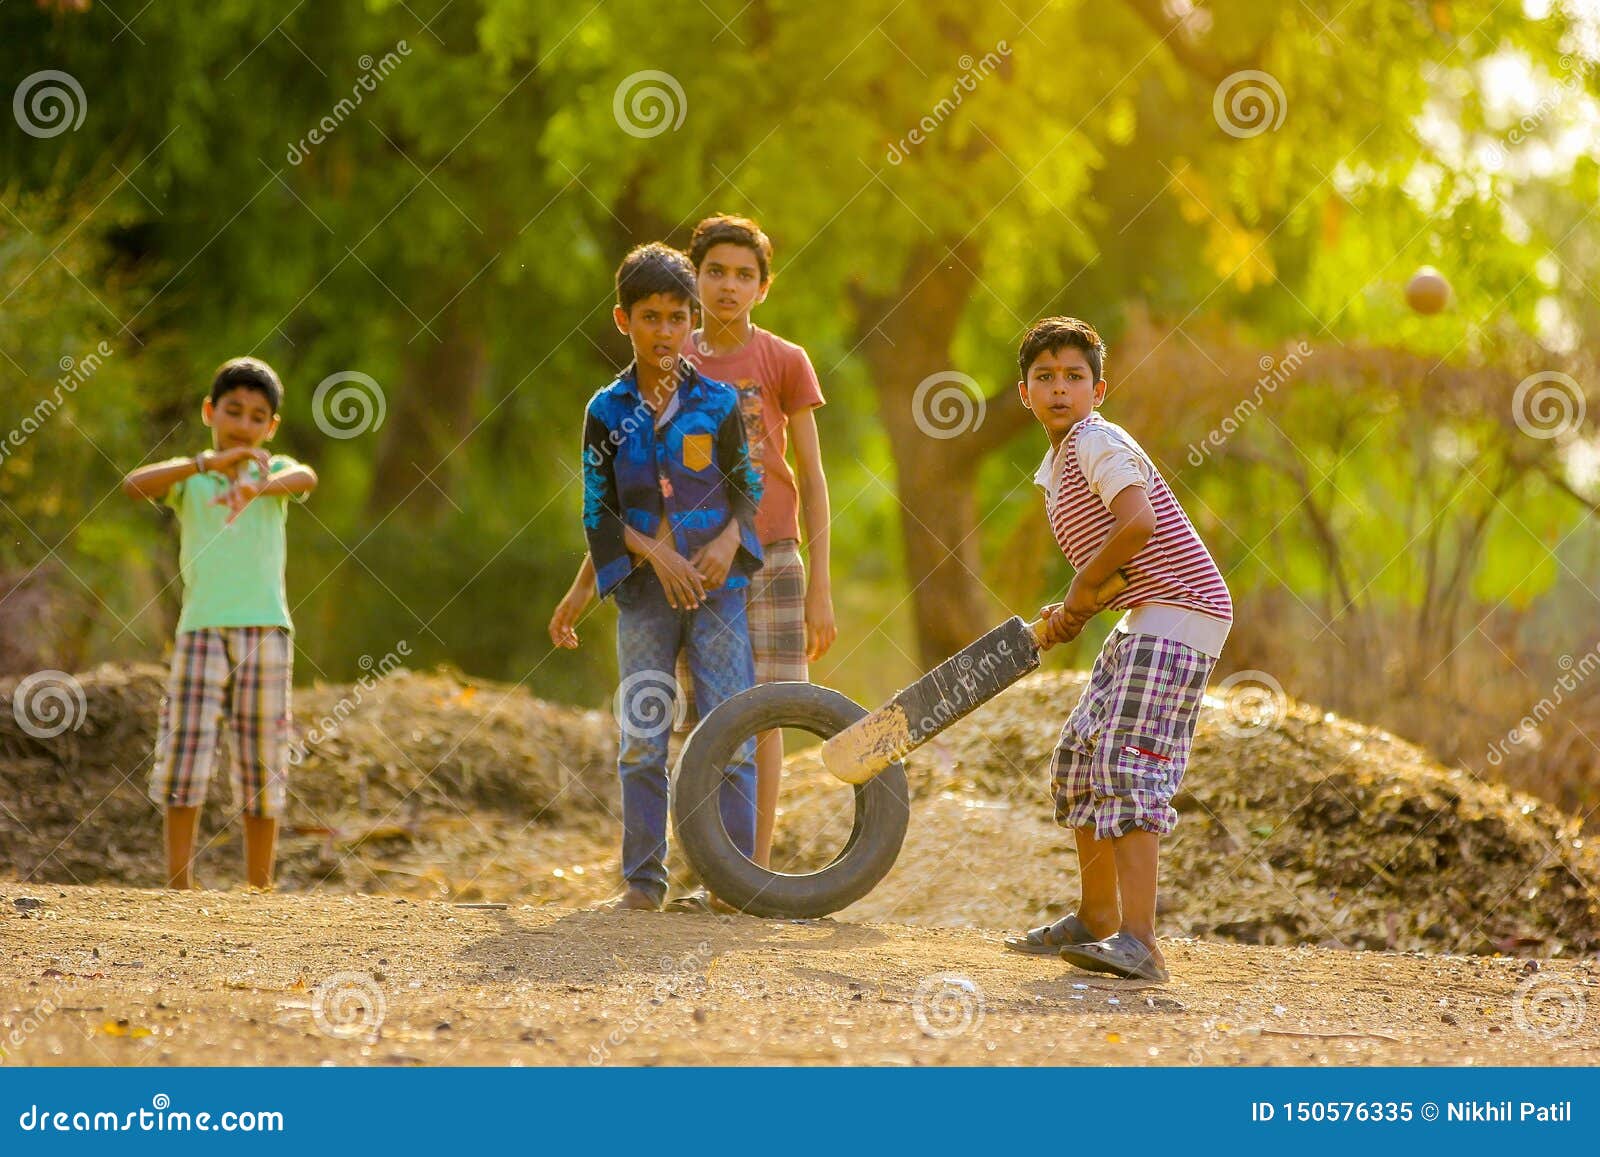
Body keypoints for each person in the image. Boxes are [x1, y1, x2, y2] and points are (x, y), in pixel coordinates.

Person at [551, 214, 835, 881]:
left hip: (748, 569)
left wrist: (795, 572)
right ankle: (665, 875)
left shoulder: (754, 378)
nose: (665, 329)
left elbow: (780, 482)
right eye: (715, 272)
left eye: (744, 274)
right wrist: (595, 580)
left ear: (762, 286)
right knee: (664, 730)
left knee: (751, 721)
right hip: (658, 582)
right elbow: (609, 504)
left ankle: (744, 876)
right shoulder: (633, 390)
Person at [1002, 317, 1232, 982]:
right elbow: (1123, 567)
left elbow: (1139, 524)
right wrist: (1075, 608)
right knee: (1079, 757)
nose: (1059, 388)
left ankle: (1141, 942)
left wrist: (1080, 589)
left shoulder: (1097, 441)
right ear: (1024, 393)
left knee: (1127, 762)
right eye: (1045, 377)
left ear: (1098, 390)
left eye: (1074, 377)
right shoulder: (1057, 467)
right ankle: (1097, 917)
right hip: (1143, 613)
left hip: (1181, 613)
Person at [581, 242, 765, 912]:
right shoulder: (606, 411)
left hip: (720, 592)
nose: (664, 331)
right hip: (643, 595)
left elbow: (748, 488)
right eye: (650, 316)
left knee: (731, 732)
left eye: (676, 317)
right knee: (642, 734)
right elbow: (597, 509)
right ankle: (643, 880)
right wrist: (656, 554)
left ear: (693, 320)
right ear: (623, 320)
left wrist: (727, 542)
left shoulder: (718, 402)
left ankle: (733, 885)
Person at [121, 356, 317, 891]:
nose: (243, 425)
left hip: (266, 630)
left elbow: (307, 476)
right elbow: (134, 485)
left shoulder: (273, 472)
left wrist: (257, 486)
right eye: (233, 411)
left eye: (257, 417)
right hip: (201, 628)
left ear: (271, 427)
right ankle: (179, 886)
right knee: (186, 748)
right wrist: (203, 464)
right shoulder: (192, 478)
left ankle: (259, 887)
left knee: (262, 756)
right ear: (210, 412)